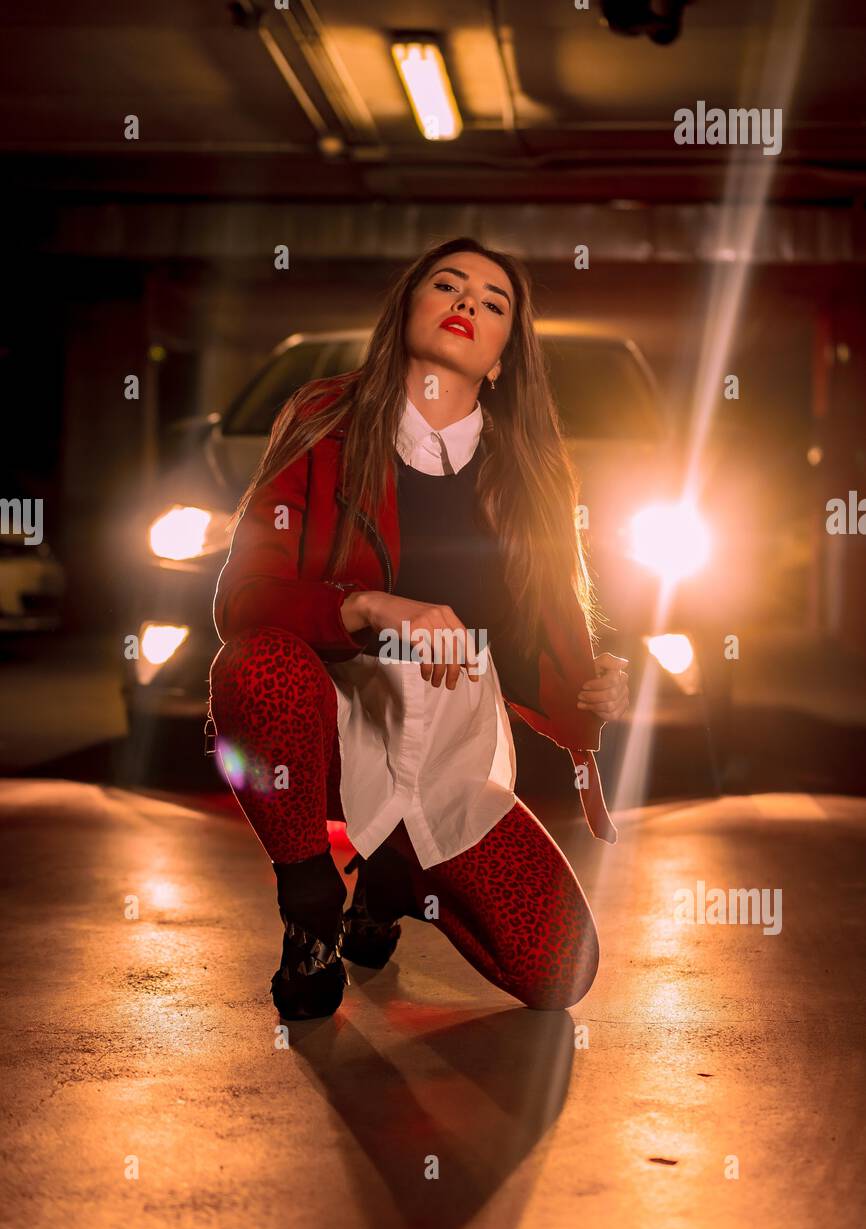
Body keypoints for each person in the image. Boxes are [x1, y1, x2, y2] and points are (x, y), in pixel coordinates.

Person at [208, 237, 629, 1021]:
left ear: (503, 358)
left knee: (558, 970)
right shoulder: (321, 418)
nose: (468, 303)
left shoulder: (530, 471)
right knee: (257, 668)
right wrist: (363, 607)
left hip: (452, 742)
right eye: (448, 285)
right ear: (407, 311)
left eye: (493, 302)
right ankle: (309, 908)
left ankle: (393, 877)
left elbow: (532, 644)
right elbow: (243, 600)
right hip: (338, 718)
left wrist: (595, 686)